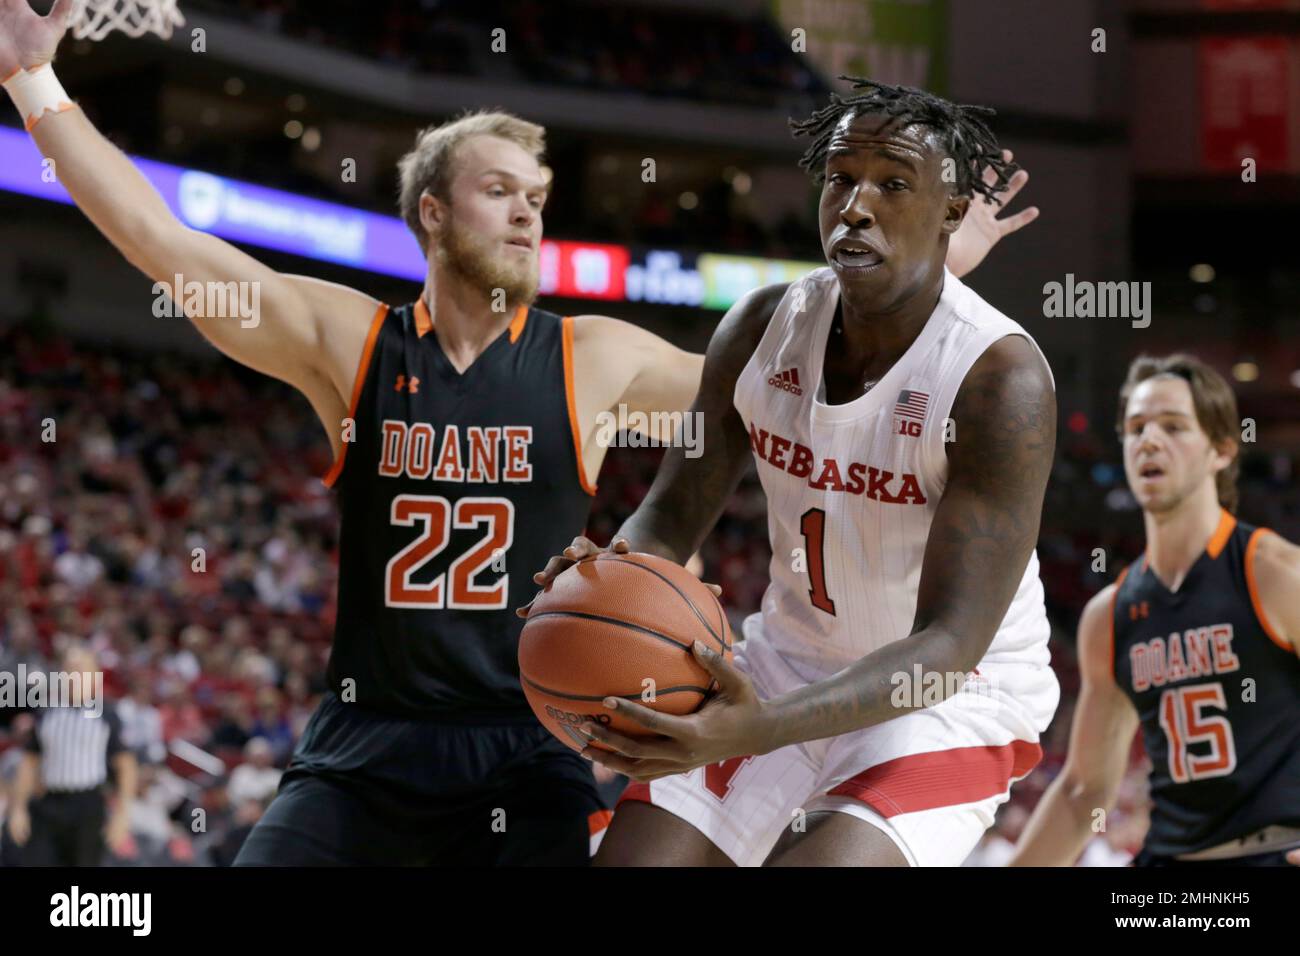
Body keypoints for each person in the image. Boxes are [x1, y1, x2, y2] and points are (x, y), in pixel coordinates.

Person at [1, 1, 1033, 865]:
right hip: (364, 742)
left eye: (540, 197)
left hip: (523, 739)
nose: (532, 215)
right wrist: (35, 86)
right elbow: (163, 241)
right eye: (501, 192)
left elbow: (805, 396)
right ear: (432, 215)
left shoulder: (595, 361)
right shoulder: (347, 344)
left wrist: (928, 277)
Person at [531, 79, 1059, 867]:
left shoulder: (999, 379)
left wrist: (758, 727)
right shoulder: (758, 329)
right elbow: (670, 521)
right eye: (840, 178)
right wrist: (607, 578)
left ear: (951, 211)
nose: (855, 205)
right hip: (786, 664)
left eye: (892, 184)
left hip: (945, 694)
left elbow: (948, 644)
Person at [1012, 354, 1300, 866]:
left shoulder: (1273, 573)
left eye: (1173, 427)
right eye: (1137, 427)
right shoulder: (1111, 615)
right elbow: (1084, 795)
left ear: (1221, 449)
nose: (1149, 440)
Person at [6, 645, 137, 866]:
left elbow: (126, 766)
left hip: (88, 805)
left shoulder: (107, 714)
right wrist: (18, 808)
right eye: (69, 670)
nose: (74, 676)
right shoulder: (46, 713)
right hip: (49, 802)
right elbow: (29, 763)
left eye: (81, 670)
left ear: (95, 676)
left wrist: (122, 814)